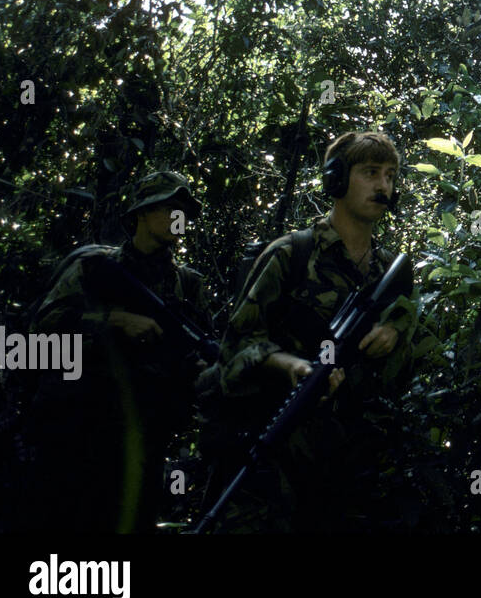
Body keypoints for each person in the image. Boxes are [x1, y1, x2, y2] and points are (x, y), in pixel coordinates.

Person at [209, 131, 419, 532]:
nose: (383, 186)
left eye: (390, 175)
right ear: (337, 179)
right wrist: (291, 366)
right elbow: (235, 346)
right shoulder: (291, 254)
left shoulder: (393, 274)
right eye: (370, 172)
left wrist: (396, 333)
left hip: (353, 467)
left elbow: (411, 367)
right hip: (275, 457)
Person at [25, 170, 214, 532]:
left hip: (144, 435)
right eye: (170, 208)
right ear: (141, 213)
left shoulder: (187, 285)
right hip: (78, 427)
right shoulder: (95, 266)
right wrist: (114, 320)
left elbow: (198, 354)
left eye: (185, 212)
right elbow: (44, 326)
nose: (180, 218)